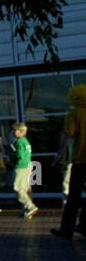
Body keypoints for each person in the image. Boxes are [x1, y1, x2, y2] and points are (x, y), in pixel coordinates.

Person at [52, 85, 86, 240]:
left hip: (80, 160)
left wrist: (59, 155)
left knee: (73, 196)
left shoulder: (74, 114)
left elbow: (67, 136)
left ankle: (67, 230)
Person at [10, 123, 38, 219]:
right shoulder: (26, 141)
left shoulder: (19, 142)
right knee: (26, 189)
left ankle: (30, 207)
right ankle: (26, 211)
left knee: (18, 188)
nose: (13, 132)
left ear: (20, 131)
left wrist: (12, 155)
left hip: (21, 166)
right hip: (28, 166)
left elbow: (19, 155)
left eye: (14, 131)